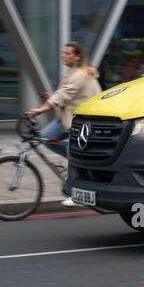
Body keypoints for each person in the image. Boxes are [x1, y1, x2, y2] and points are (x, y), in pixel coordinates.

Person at [26, 42, 102, 205]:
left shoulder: (81, 74)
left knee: (73, 155)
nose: (63, 56)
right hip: (65, 120)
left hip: (81, 122)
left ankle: (77, 195)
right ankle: (77, 161)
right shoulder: (72, 72)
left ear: (77, 56)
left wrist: (41, 109)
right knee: (45, 137)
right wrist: (51, 98)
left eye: (67, 53)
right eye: (63, 53)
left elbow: (63, 96)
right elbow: (65, 95)